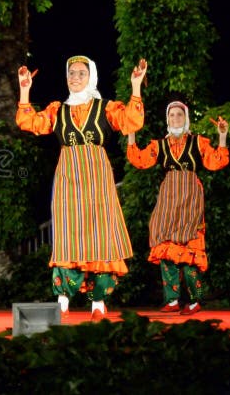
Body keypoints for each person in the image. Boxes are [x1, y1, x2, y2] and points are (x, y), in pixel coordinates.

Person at [16, 55, 147, 321]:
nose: (75, 77)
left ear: (91, 77)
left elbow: (132, 122)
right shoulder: (57, 110)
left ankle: (98, 301)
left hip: (97, 175)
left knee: (101, 234)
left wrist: (135, 86)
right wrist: (25, 89)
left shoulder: (105, 107)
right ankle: (63, 300)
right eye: (71, 73)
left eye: (81, 73)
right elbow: (29, 123)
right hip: (68, 175)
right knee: (68, 234)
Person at [127, 101, 229, 315]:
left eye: (179, 115)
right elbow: (139, 160)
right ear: (167, 119)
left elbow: (215, 162)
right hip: (169, 196)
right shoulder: (160, 145)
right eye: (172, 115)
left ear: (186, 118)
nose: (175, 119)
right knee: (165, 245)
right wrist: (131, 133)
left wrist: (222, 137)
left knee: (189, 247)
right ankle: (172, 300)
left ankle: (194, 301)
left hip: (190, 195)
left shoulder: (197, 141)